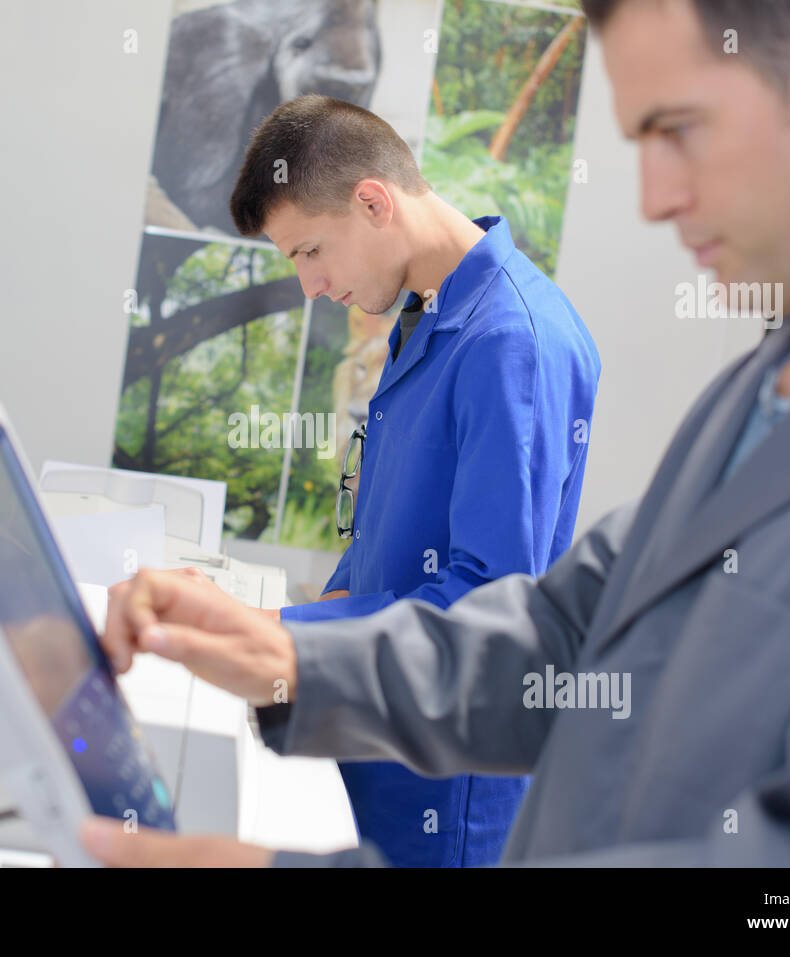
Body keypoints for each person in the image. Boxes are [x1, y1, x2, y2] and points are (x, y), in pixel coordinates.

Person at [83, 0, 790, 867]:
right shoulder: (755, 392)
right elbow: (554, 633)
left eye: (679, 129)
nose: (654, 199)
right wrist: (279, 648)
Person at [220, 94, 600, 867]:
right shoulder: (425, 315)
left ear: (372, 201)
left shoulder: (511, 342)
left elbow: (487, 605)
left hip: (444, 783)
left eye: (310, 252)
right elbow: (387, 538)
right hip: (372, 734)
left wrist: (282, 640)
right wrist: (274, 619)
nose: (311, 286)